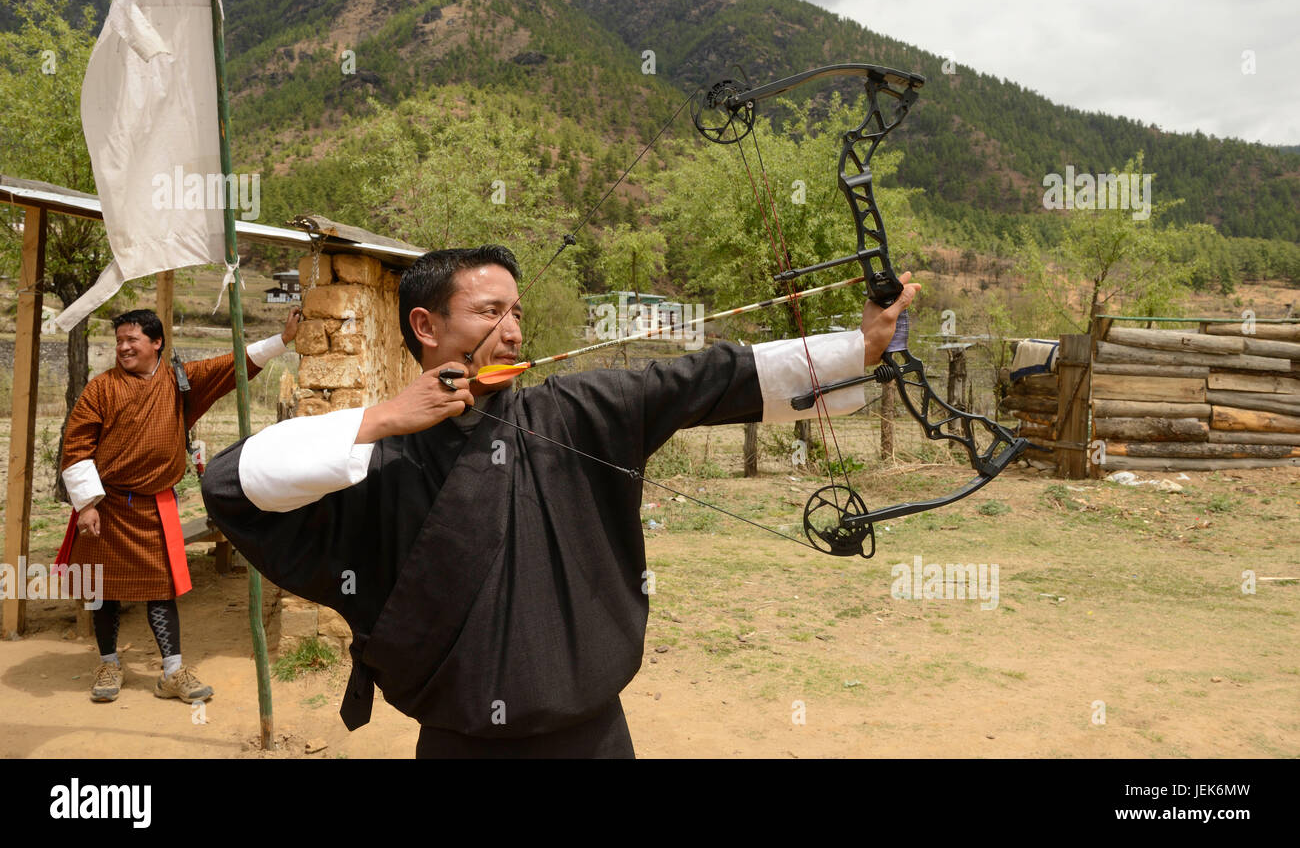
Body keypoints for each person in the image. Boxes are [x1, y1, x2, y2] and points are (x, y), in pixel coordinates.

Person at [201, 246, 916, 757]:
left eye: (516, 312)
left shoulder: (576, 411)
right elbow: (230, 483)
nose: (512, 330)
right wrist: (387, 416)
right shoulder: (378, 456)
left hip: (592, 739)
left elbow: (701, 378)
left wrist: (857, 348)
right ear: (426, 326)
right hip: (459, 746)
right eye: (489, 311)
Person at [59, 305, 301, 704]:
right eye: (119, 341)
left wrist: (283, 340)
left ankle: (172, 672)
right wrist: (86, 505)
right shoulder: (100, 388)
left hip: (155, 505)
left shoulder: (179, 382)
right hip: (107, 504)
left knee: (161, 589)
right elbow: (77, 445)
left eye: (131, 340)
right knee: (102, 590)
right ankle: (108, 664)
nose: (122, 347)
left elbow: (233, 364)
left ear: (156, 343)